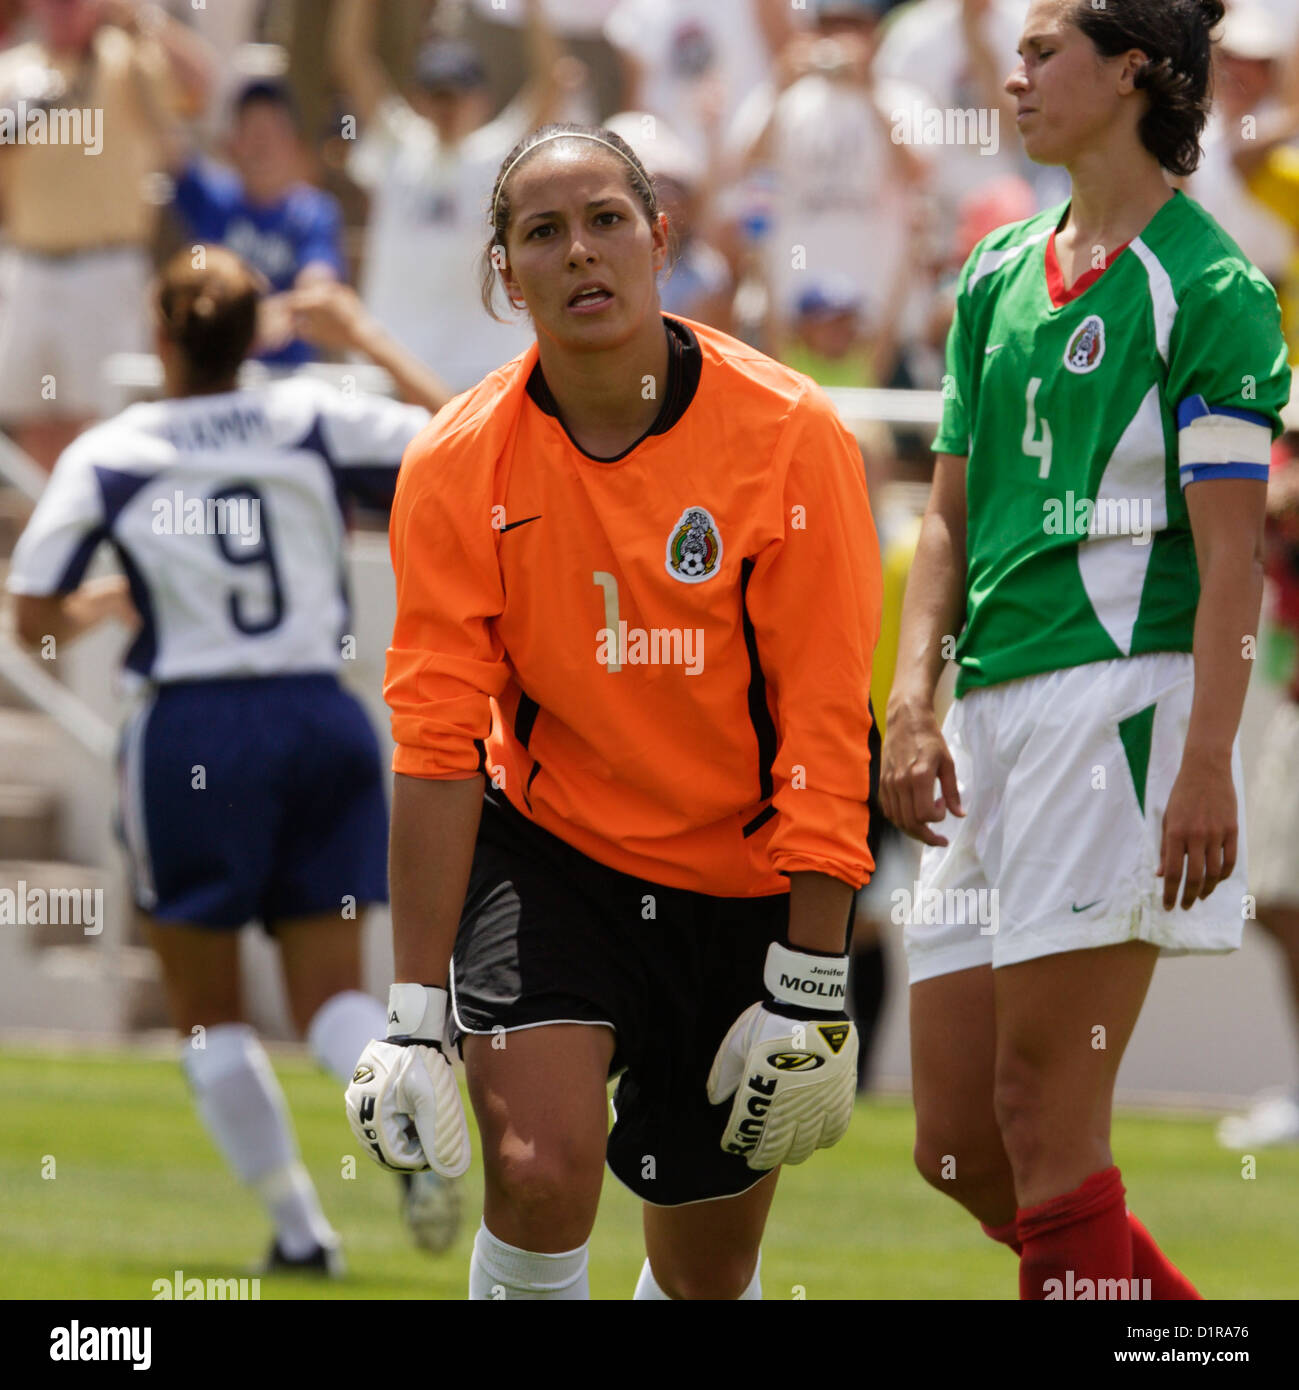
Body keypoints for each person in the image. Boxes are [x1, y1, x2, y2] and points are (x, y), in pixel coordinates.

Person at [343, 122, 882, 1300]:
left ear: (659, 240)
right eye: (543, 232)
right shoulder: (457, 459)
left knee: (703, 1267)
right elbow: (435, 737)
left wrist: (811, 976)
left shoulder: (794, 436)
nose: (580, 253)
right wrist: (410, 1013)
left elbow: (829, 719)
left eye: (606, 222)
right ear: (504, 272)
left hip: (745, 881)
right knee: (537, 1176)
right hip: (553, 857)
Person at [880, 0, 1290, 1301]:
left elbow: (1232, 559)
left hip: (1123, 707)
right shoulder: (993, 271)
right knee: (953, 1144)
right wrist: (908, 698)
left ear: (1131, 72)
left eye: (1044, 47)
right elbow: (942, 521)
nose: (1013, 74)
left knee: (1044, 1120)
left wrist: (1209, 759)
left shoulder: (1213, 286)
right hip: (985, 713)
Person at [6, 248, 454, 1271]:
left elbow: (30, 614)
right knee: (337, 999)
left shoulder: (117, 452)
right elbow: (469, 449)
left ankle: (302, 1231)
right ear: (259, 333)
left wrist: (101, 606)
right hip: (321, 717)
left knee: (208, 1016)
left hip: (192, 731)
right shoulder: (311, 415)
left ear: (160, 337)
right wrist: (367, 339)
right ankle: (411, 1143)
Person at [0, 0, 211, 469]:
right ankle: (51, 530)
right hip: (28, 267)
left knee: (103, 417)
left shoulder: (128, 60)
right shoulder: (13, 71)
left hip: (105, 268)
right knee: (35, 418)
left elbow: (202, 85)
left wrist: (139, 17)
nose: (62, 9)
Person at [330, 0, 567, 392]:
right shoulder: (396, 146)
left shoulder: (503, 158)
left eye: (457, 94)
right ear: (418, 98)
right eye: (436, 94)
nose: (447, 106)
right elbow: (351, 58)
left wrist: (533, 9)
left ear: (482, 100)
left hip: (481, 373)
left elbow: (551, 81)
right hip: (392, 370)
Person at [170, 77, 345, 367]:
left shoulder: (314, 212)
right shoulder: (210, 199)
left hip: (287, 378)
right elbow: (165, 139)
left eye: (273, 130)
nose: (262, 143)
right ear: (231, 143)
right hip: (215, 376)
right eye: (251, 130)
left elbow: (318, 289)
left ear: (294, 144)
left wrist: (267, 314)